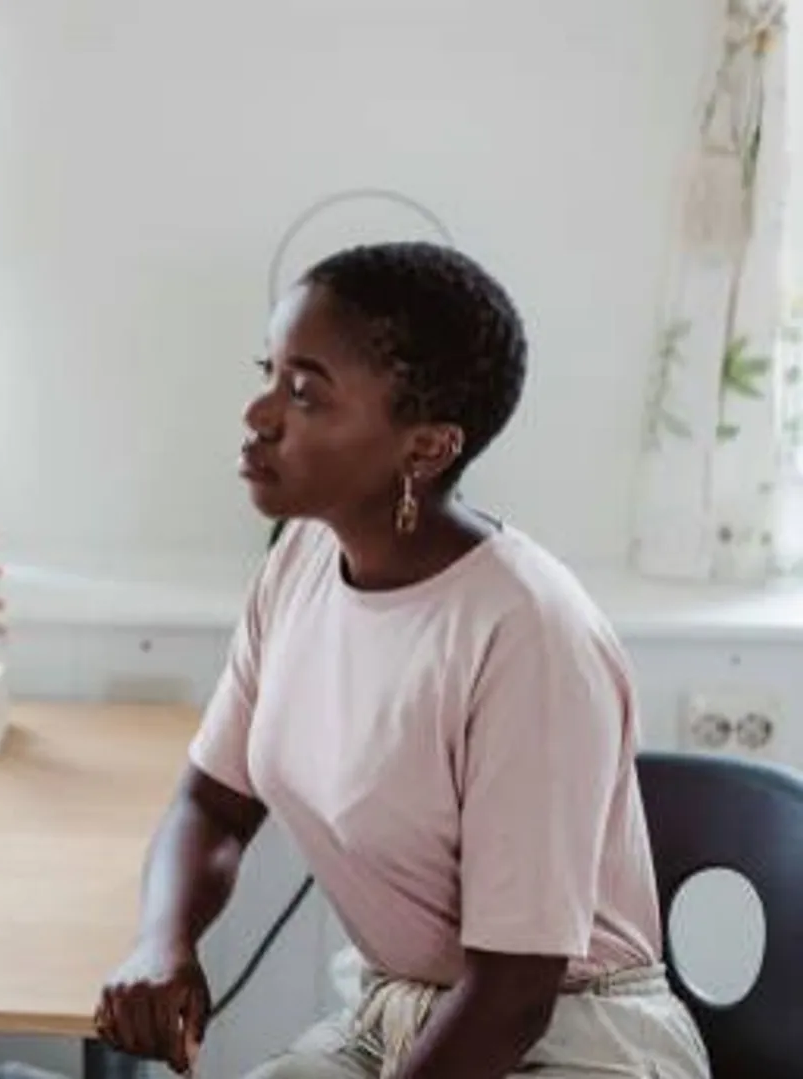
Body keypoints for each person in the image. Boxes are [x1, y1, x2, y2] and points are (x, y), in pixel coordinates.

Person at [94, 242, 709, 1079]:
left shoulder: (528, 634)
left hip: (567, 1042)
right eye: (269, 372)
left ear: (425, 448)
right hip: (396, 1015)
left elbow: (515, 992)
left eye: (305, 393)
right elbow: (212, 800)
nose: (259, 411)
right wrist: (162, 943)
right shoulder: (301, 560)